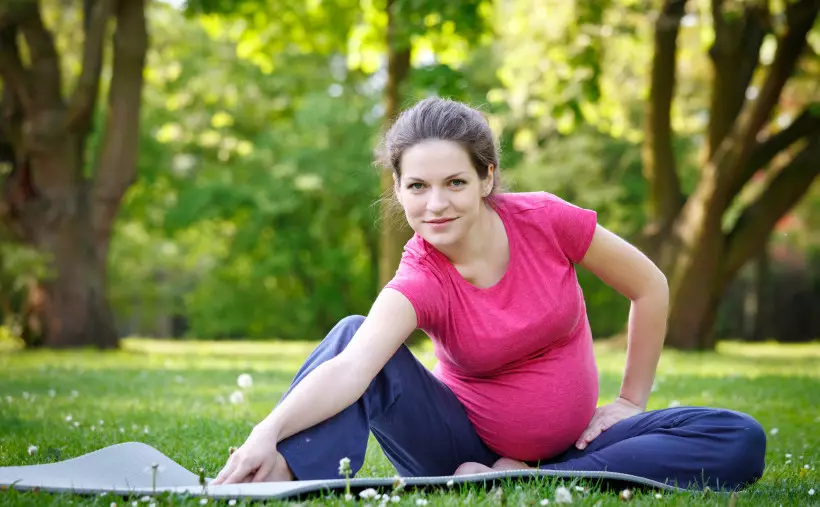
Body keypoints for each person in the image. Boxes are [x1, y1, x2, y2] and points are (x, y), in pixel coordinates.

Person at [211, 97, 766, 491]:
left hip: (578, 446)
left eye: (454, 182)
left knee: (738, 438)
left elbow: (650, 285)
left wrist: (630, 402)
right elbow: (353, 369)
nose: (436, 205)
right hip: (457, 452)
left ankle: (533, 480)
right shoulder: (422, 275)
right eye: (417, 187)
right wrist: (268, 430)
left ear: (487, 178)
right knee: (354, 333)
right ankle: (283, 470)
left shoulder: (546, 221)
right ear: (398, 189)